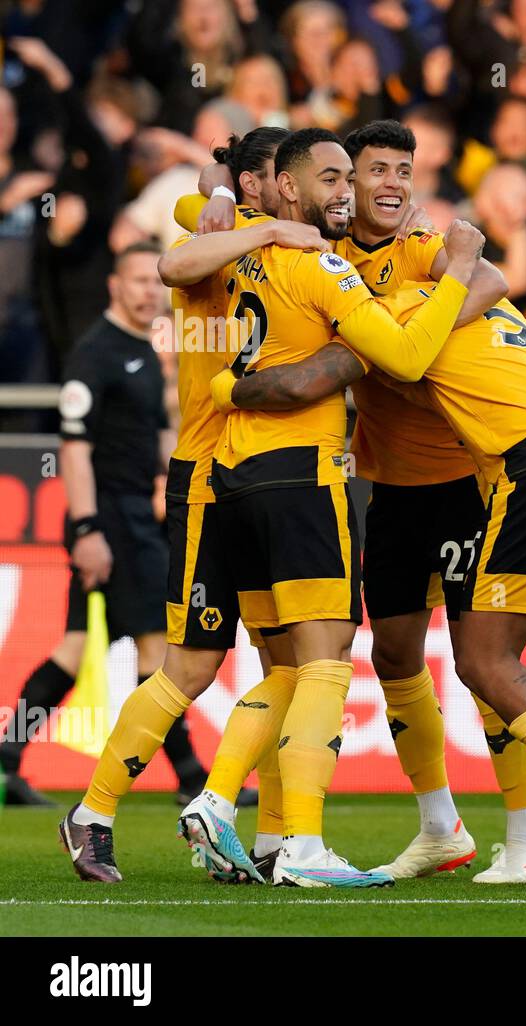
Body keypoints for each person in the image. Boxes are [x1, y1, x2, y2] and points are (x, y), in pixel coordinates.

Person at [205, 127, 490, 887]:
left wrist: (225, 201)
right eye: (337, 178)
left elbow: (182, 244)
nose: (350, 191)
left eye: (351, 178)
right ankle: (294, 840)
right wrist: (432, 291)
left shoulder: (241, 248)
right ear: (297, 188)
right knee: (327, 661)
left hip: (235, 474)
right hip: (308, 475)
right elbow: (402, 356)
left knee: (296, 664)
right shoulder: (326, 264)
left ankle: (218, 799)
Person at [55, 128, 329, 886]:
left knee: (289, 661)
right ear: (255, 186)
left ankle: (273, 840)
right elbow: (178, 253)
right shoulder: (218, 228)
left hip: (264, 476)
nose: (301, 190)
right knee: (194, 663)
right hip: (209, 476)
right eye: (288, 178)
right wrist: (247, 211)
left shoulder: (284, 244)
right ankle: (93, 812)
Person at [2, 244, 182, 816]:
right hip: (109, 520)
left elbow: (159, 438)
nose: (148, 292)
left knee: (73, 648)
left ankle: (5, 760)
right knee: (158, 647)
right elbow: (73, 449)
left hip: (129, 513)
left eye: (154, 283)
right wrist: (86, 528)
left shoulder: (147, 353)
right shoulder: (95, 353)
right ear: (113, 285)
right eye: (137, 281)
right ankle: (196, 775)